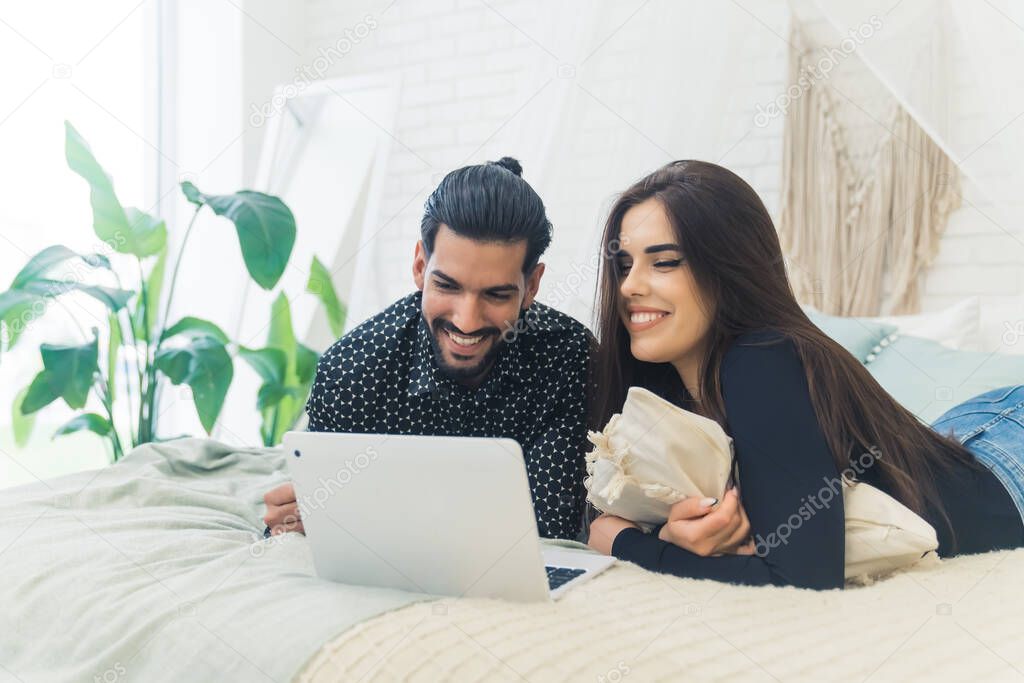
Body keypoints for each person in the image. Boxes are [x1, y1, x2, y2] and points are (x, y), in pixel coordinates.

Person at [585, 160, 1024, 589]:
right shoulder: (657, 394)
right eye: (624, 265)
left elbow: (803, 576)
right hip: (960, 437)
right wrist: (662, 537)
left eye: (664, 262)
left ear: (728, 269)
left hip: (1008, 454)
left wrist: (627, 544)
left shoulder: (761, 359)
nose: (628, 286)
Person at [263, 157, 594, 540]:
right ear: (420, 266)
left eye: (497, 294)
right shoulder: (351, 371)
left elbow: (550, 530)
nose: (467, 321)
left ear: (532, 286)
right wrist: (292, 524)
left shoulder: (570, 358)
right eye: (447, 286)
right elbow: (315, 524)